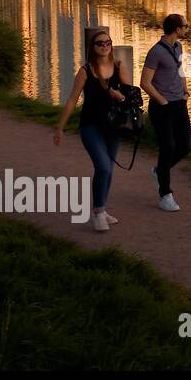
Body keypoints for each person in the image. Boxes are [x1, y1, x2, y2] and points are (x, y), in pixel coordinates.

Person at [54, 28, 128, 232]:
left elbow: (130, 96)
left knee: (109, 169)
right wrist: (60, 127)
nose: (105, 46)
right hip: (90, 126)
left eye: (108, 42)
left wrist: (119, 96)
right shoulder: (85, 71)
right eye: (100, 43)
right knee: (103, 167)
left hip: (113, 126)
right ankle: (98, 212)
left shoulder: (119, 66)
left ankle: (102, 210)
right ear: (92, 48)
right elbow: (71, 100)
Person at [140, 14, 191, 212]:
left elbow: (181, 71)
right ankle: (165, 194)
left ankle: (160, 170)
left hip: (180, 104)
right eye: (185, 26)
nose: (187, 29)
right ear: (177, 29)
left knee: (185, 146)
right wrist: (161, 100)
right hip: (162, 107)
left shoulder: (178, 47)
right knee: (167, 147)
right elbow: (144, 82)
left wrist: (185, 92)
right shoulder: (155, 52)